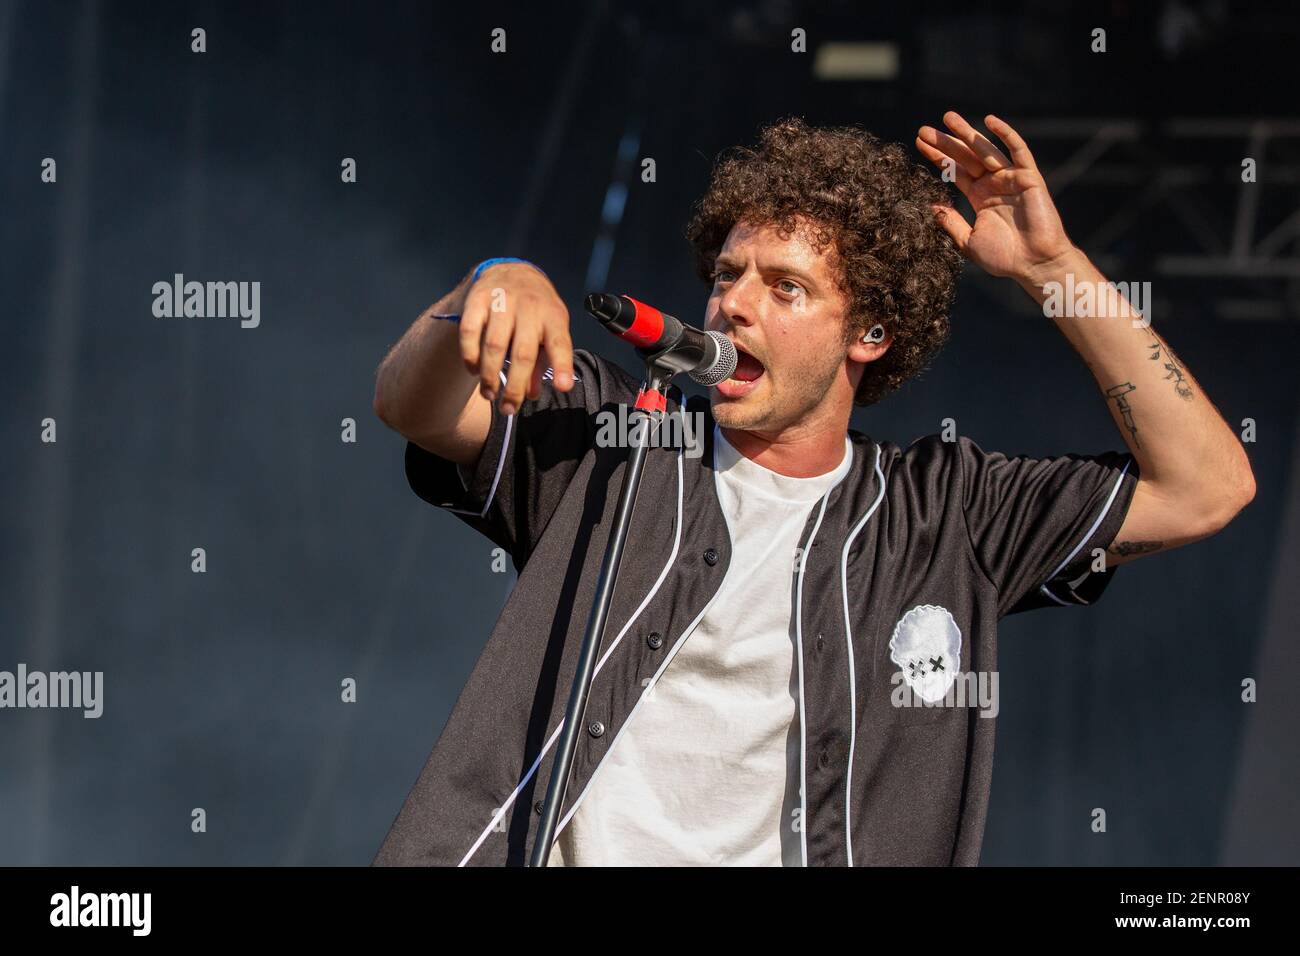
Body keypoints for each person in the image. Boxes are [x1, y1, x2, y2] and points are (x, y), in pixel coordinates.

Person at [370, 112, 1255, 866]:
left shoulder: (952, 514)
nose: (734, 304)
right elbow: (410, 404)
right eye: (726, 275)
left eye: (785, 287)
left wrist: (1051, 272)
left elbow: (1207, 489)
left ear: (868, 331)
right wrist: (487, 286)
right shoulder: (617, 436)